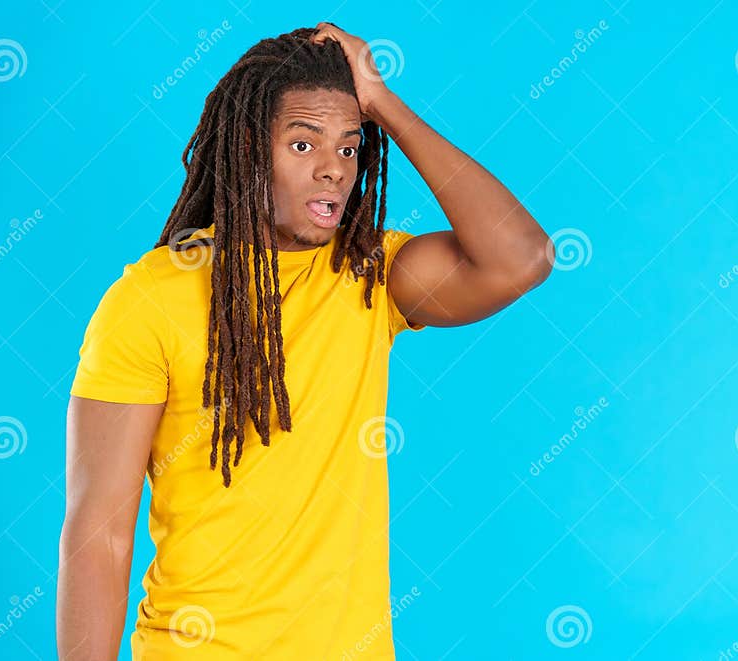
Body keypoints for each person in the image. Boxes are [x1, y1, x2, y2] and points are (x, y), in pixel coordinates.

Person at [56, 23, 552, 660]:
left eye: (349, 149)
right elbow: (99, 534)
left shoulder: (368, 275)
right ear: (246, 149)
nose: (332, 172)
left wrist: (383, 104)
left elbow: (523, 258)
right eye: (301, 143)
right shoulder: (151, 298)